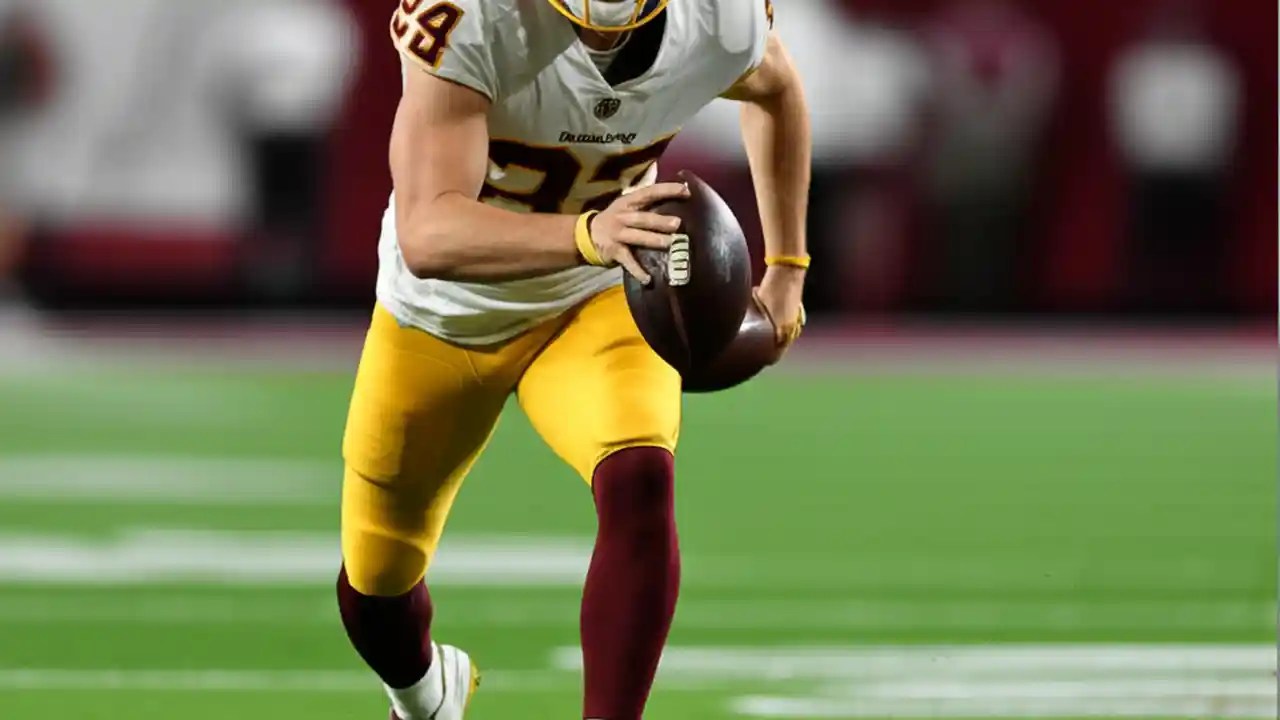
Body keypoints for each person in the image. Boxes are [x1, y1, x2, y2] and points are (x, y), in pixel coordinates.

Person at [335, 1, 811, 718]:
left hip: (601, 294)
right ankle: (426, 692)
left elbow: (777, 91)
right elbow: (428, 231)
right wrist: (587, 232)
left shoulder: (716, 14)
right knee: (375, 591)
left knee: (640, 477)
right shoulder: (474, 17)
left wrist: (787, 268)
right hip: (447, 316)